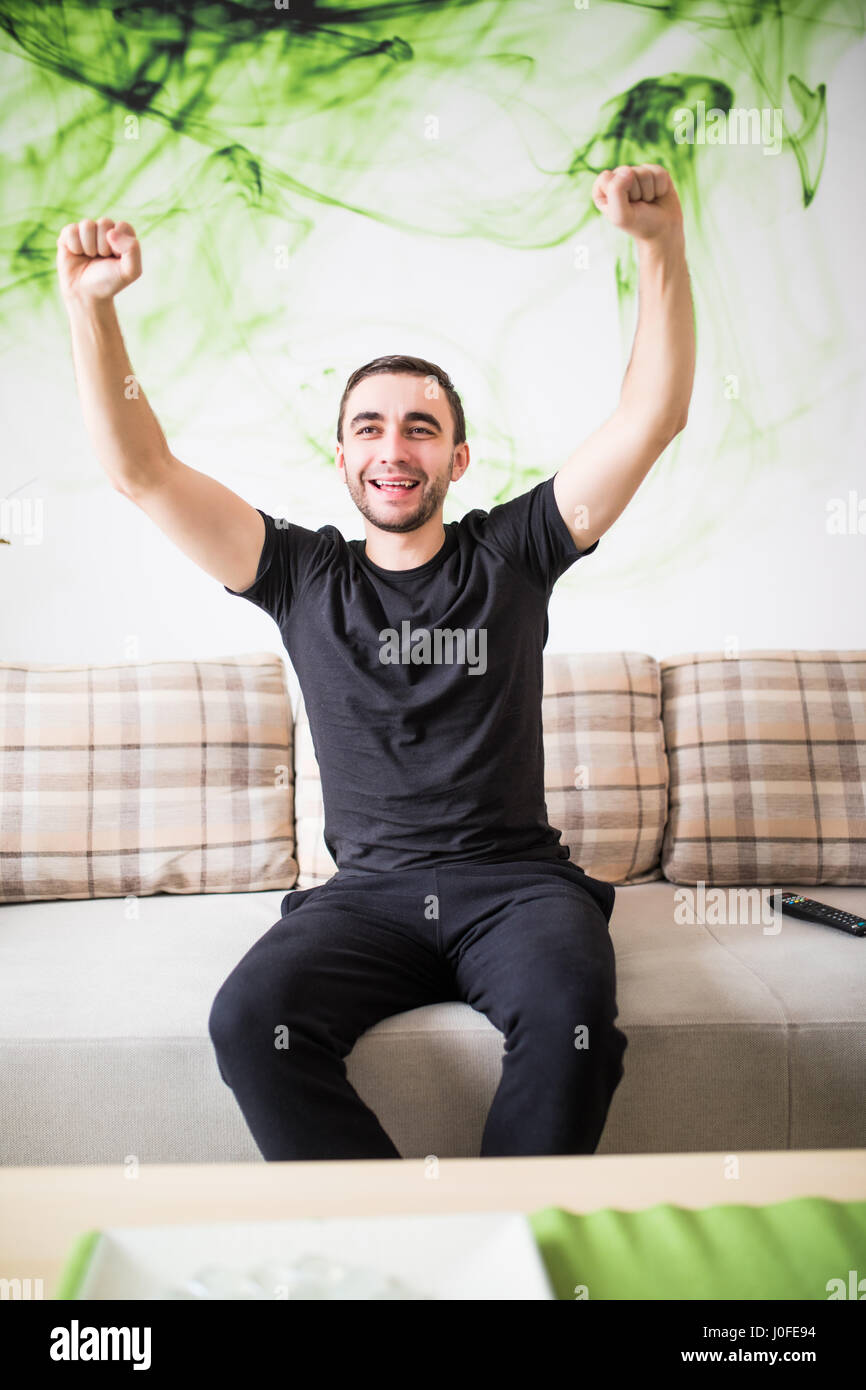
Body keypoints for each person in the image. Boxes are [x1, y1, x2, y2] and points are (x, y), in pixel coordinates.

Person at [56, 163, 694, 1159]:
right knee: (248, 1023)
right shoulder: (300, 573)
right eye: (369, 427)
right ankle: (394, 1242)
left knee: (572, 1025)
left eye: (418, 428)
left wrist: (658, 248)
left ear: (456, 458)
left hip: (515, 890)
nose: (392, 447)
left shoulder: (512, 552)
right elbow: (142, 471)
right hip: (364, 901)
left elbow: (648, 416)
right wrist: (90, 309)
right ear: (343, 454)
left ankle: (502, 1251)